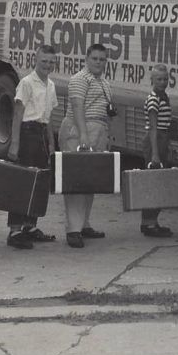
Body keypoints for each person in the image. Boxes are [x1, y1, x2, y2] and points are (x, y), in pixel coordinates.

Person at [4, 44, 60, 249]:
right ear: (35, 60)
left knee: (39, 182)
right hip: (27, 133)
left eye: (51, 62)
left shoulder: (51, 85)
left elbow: (49, 117)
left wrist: (51, 143)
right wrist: (15, 143)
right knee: (23, 181)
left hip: (42, 135)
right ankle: (15, 231)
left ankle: (30, 226)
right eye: (44, 61)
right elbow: (18, 113)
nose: (47, 65)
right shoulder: (26, 83)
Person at [59, 43, 111, 248]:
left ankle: (84, 224)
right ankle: (73, 230)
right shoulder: (80, 79)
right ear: (86, 59)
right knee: (76, 182)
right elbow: (77, 107)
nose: (98, 62)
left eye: (102, 59)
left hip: (97, 130)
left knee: (90, 182)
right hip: (80, 130)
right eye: (94, 58)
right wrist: (83, 135)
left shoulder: (103, 82)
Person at [140, 64, 174, 237]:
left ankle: (152, 221)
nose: (163, 82)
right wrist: (155, 153)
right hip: (155, 140)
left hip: (162, 139)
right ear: (151, 80)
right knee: (154, 183)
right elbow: (153, 128)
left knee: (158, 183)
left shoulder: (163, 97)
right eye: (159, 79)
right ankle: (149, 223)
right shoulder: (154, 99)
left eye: (165, 79)